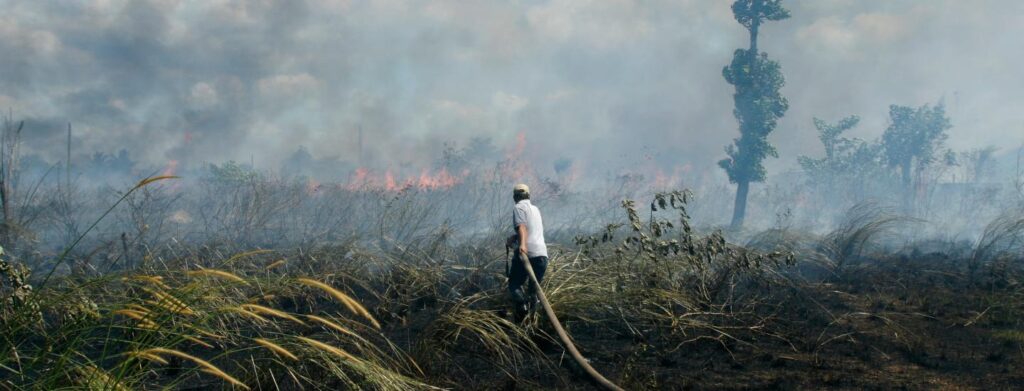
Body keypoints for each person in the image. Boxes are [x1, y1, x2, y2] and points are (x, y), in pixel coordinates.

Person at [506, 183, 548, 320]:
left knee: (514, 284)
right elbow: (531, 229)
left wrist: (522, 244)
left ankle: (522, 312)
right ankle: (533, 322)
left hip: (527, 254)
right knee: (533, 291)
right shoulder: (535, 209)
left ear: (515, 197)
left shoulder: (518, 207)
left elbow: (522, 227)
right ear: (529, 195)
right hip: (542, 255)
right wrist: (514, 237)